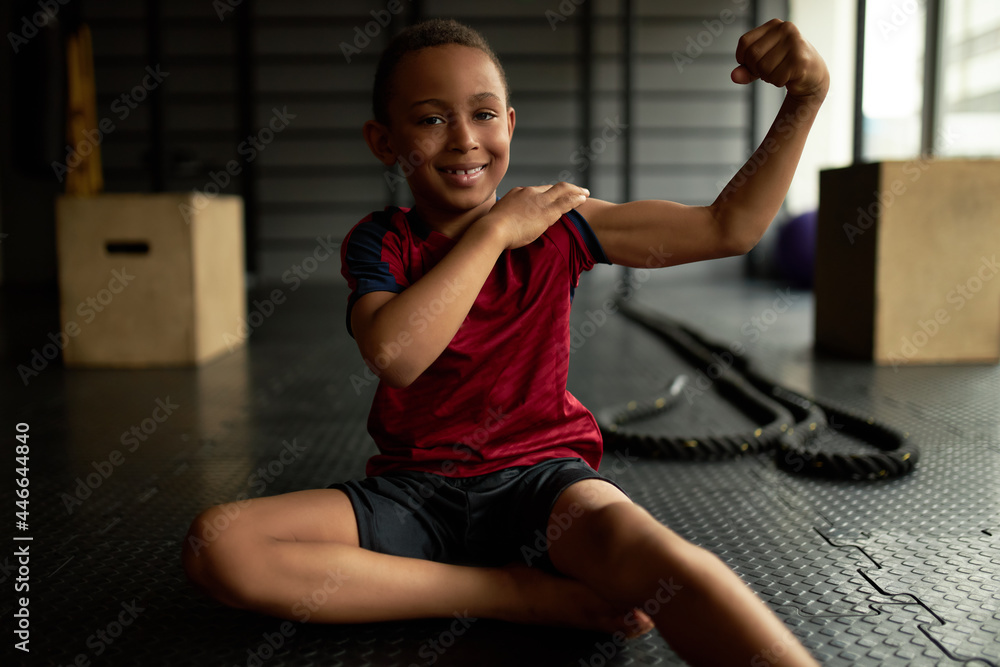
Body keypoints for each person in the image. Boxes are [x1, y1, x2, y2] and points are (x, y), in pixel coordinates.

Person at [183, 16, 828, 667]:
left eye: (483, 114)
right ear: (385, 140)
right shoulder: (382, 241)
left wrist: (804, 99)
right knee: (220, 546)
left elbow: (728, 227)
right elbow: (396, 355)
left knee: (664, 561)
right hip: (416, 493)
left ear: (509, 126)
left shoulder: (561, 226)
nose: (464, 139)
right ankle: (511, 594)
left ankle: (500, 586)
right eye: (431, 119)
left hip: (546, 484)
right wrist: (493, 233)